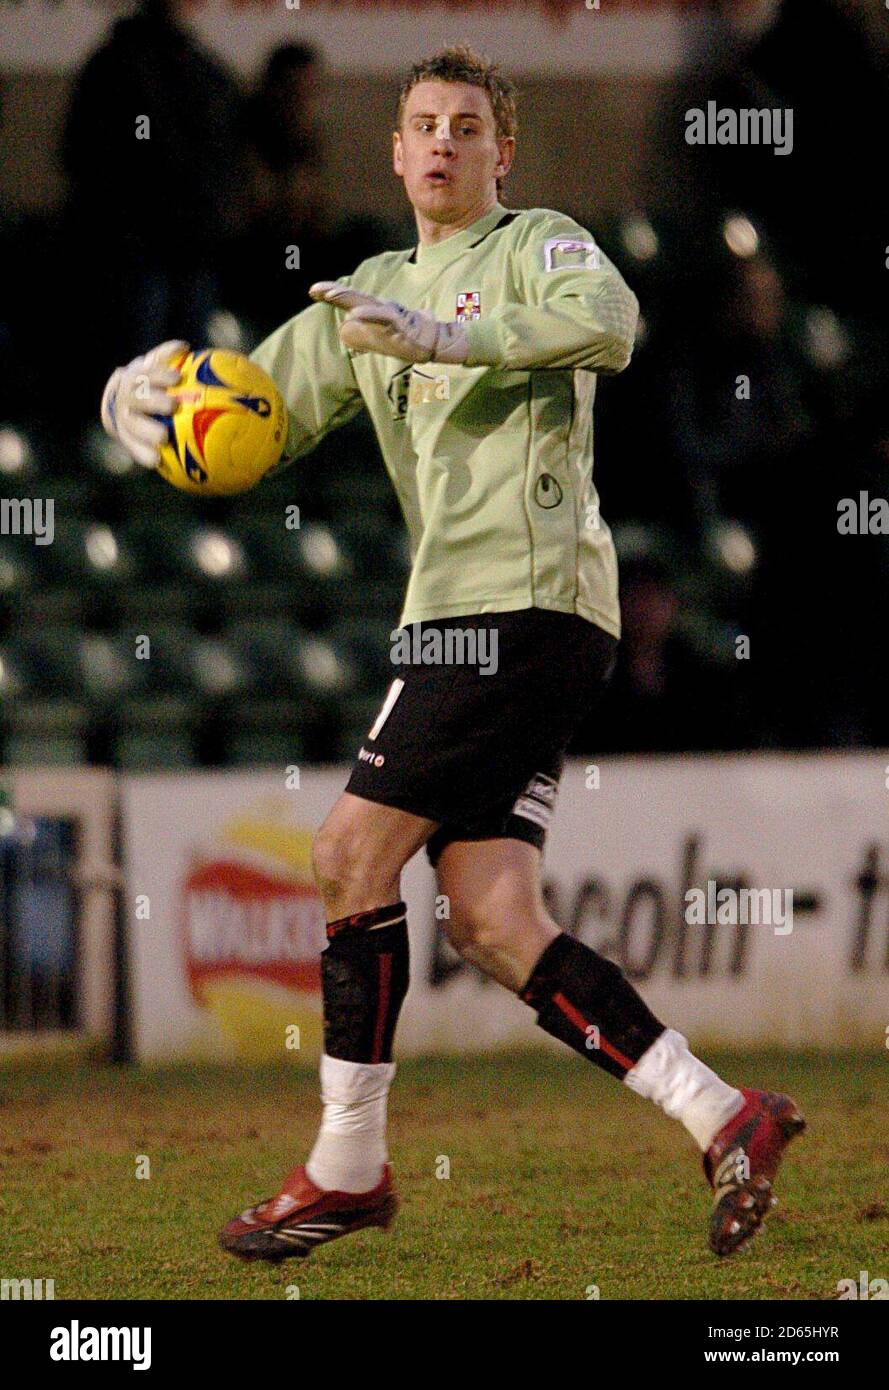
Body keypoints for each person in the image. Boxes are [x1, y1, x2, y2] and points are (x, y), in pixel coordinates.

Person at [100, 44, 804, 1264]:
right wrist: (144, 409)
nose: (439, 142)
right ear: (393, 149)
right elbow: (249, 414)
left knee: (343, 855)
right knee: (487, 918)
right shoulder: (360, 292)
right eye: (421, 124)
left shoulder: (538, 247)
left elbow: (612, 324)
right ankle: (721, 1110)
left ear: (501, 151)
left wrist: (440, 335)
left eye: (465, 126)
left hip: (524, 605)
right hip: (455, 617)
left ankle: (348, 1169)